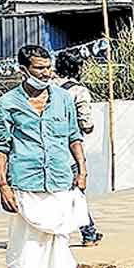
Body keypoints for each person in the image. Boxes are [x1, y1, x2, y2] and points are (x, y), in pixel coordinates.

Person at [0, 45, 89, 268]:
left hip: (60, 181)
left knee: (61, 246)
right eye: (40, 68)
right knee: (23, 247)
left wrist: (82, 170)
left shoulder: (63, 99)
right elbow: (0, 148)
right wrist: (3, 186)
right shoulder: (7, 104)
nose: (47, 73)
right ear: (23, 69)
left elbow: (74, 136)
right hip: (25, 183)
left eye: (48, 67)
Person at [53, 50, 102, 246]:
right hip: (69, 150)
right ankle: (88, 234)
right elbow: (86, 124)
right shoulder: (78, 91)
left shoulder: (44, 88)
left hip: (44, 148)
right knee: (75, 194)